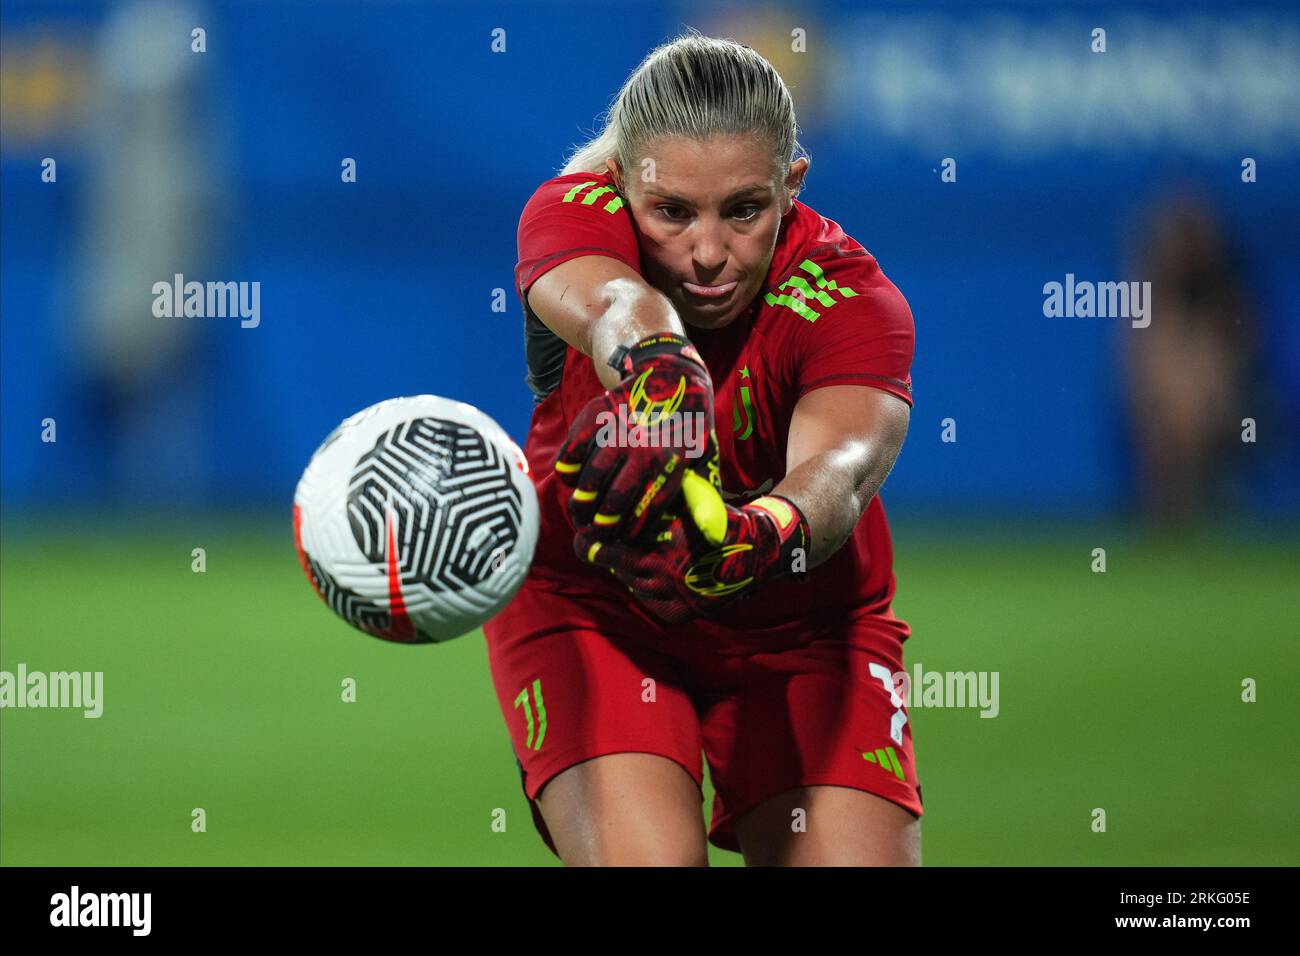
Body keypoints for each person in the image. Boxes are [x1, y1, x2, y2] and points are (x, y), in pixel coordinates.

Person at [483, 32, 921, 866]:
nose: (710, 252)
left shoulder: (854, 300)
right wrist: (660, 365)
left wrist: (762, 535)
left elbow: (841, 472)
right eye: (672, 212)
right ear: (620, 188)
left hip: (804, 625)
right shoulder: (570, 211)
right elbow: (611, 301)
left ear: (793, 184)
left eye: (744, 210)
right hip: (594, 603)